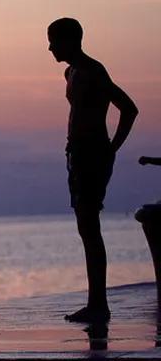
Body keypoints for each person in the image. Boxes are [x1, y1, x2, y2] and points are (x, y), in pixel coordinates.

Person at [48, 17, 137, 324]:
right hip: (76, 155)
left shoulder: (93, 72)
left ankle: (98, 304)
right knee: (85, 227)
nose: (49, 48)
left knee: (90, 226)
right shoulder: (69, 72)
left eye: (54, 41)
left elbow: (129, 108)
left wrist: (112, 147)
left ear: (71, 40)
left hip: (93, 154)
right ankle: (95, 301)